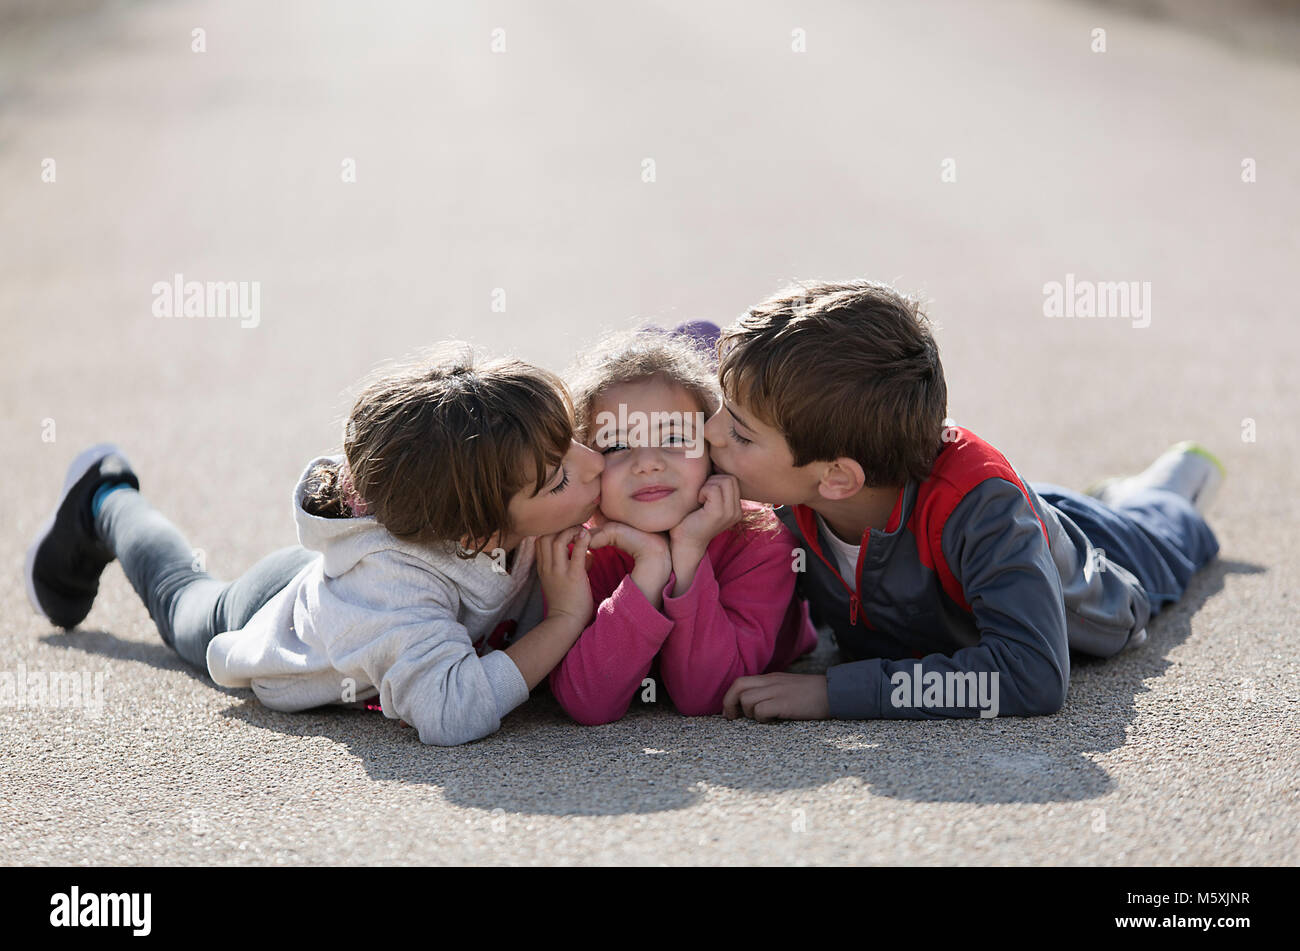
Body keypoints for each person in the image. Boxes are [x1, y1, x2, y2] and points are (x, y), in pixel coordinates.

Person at [25, 344, 606, 746]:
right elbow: (449, 711)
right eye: (559, 477)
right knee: (182, 597)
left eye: (575, 439)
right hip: (272, 612)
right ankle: (105, 497)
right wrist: (564, 619)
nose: (593, 464)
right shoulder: (394, 586)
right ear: (475, 534)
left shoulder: (504, 491)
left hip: (342, 582)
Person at [704, 280, 1221, 721]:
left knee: (1160, 526)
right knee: (1030, 503)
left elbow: (1031, 674)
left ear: (838, 478)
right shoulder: (788, 485)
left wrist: (834, 692)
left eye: (741, 433)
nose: (711, 432)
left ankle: (1172, 479)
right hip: (1010, 508)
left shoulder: (984, 513)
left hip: (1103, 558)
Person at [548, 329, 817, 724]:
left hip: (785, 636)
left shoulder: (761, 539)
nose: (648, 462)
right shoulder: (581, 549)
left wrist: (689, 554)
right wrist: (650, 569)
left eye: (674, 437)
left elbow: (706, 696)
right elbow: (587, 700)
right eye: (617, 445)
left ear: (711, 451)